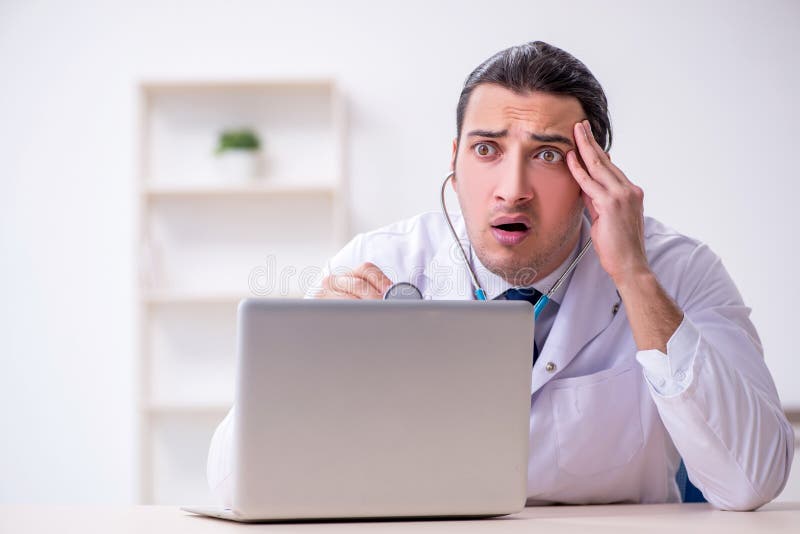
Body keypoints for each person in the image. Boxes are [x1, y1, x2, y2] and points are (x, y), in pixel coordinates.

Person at [208, 41, 793, 510]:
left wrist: (634, 278)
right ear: (455, 163)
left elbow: (753, 479)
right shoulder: (379, 265)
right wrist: (311, 358)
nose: (512, 189)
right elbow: (235, 484)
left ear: (598, 172)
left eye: (548, 155)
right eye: (486, 150)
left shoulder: (677, 270)